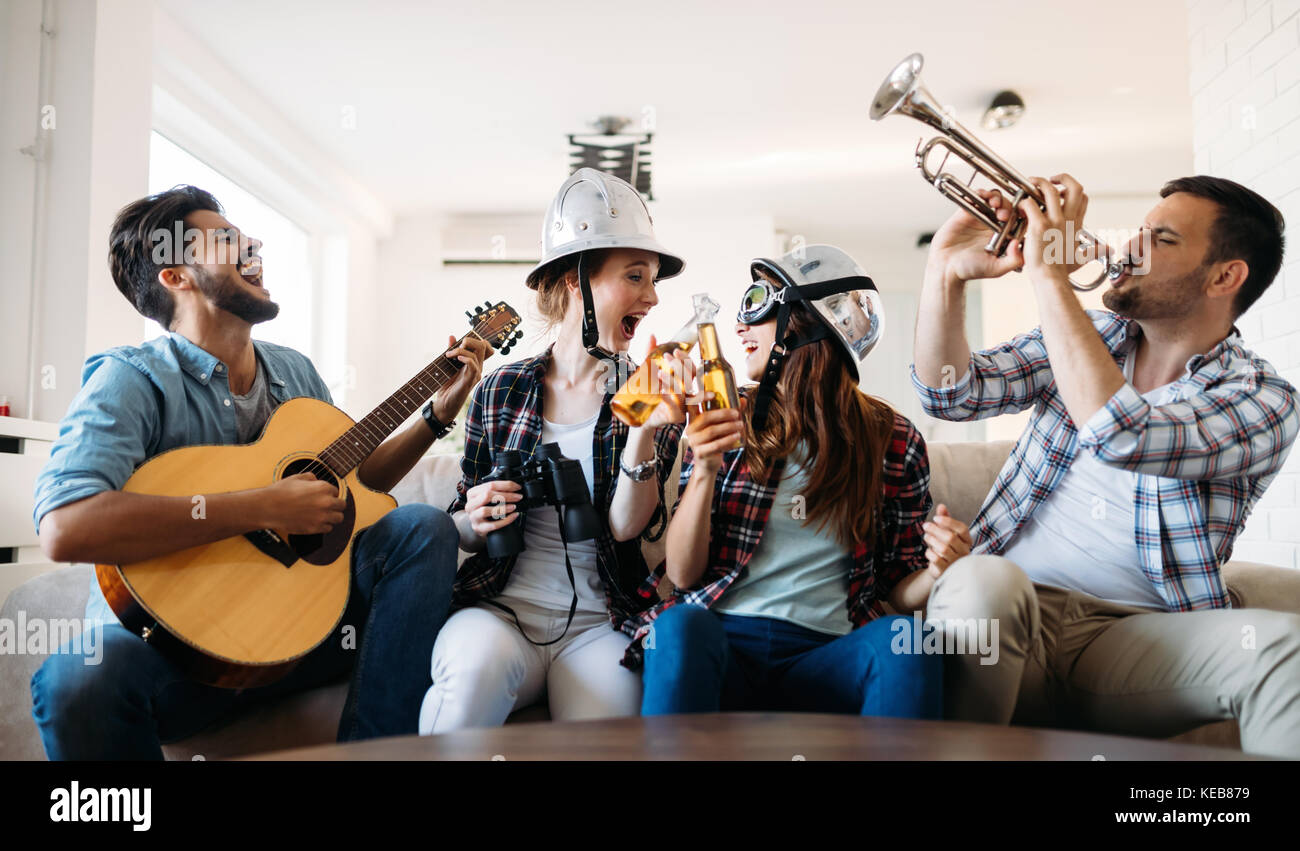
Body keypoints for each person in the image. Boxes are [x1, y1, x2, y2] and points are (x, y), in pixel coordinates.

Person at [30, 185, 487, 759]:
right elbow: (65, 527)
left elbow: (358, 485)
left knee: (422, 527)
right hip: (177, 659)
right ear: (176, 276)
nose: (253, 246)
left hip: (307, 638)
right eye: (227, 240)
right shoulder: (130, 380)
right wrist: (262, 506)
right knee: (74, 677)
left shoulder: (294, 372)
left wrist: (436, 415)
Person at [913, 173, 1300, 757]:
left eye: (1161, 239)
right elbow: (953, 394)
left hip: (1132, 641)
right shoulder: (1094, 333)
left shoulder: (1263, 398)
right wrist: (945, 275)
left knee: (1286, 650)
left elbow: (1120, 434)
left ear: (1225, 276)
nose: (1129, 249)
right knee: (985, 580)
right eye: (1139, 232)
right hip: (1012, 610)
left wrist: (1049, 275)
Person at [629, 245, 964, 718]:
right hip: (725, 645)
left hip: (828, 657)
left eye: (758, 304)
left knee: (907, 642)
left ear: (807, 322)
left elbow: (895, 588)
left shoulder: (893, 439)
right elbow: (683, 576)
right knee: (680, 626)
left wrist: (936, 570)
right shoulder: (725, 412)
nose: (739, 327)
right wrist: (704, 467)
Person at [418, 169, 687, 732]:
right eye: (635, 276)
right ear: (575, 280)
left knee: (603, 735)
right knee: (469, 680)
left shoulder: (645, 392)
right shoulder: (501, 388)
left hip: (598, 622)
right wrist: (476, 514)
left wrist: (642, 427)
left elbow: (623, 528)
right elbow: (460, 525)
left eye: (654, 279)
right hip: (500, 612)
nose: (653, 296)